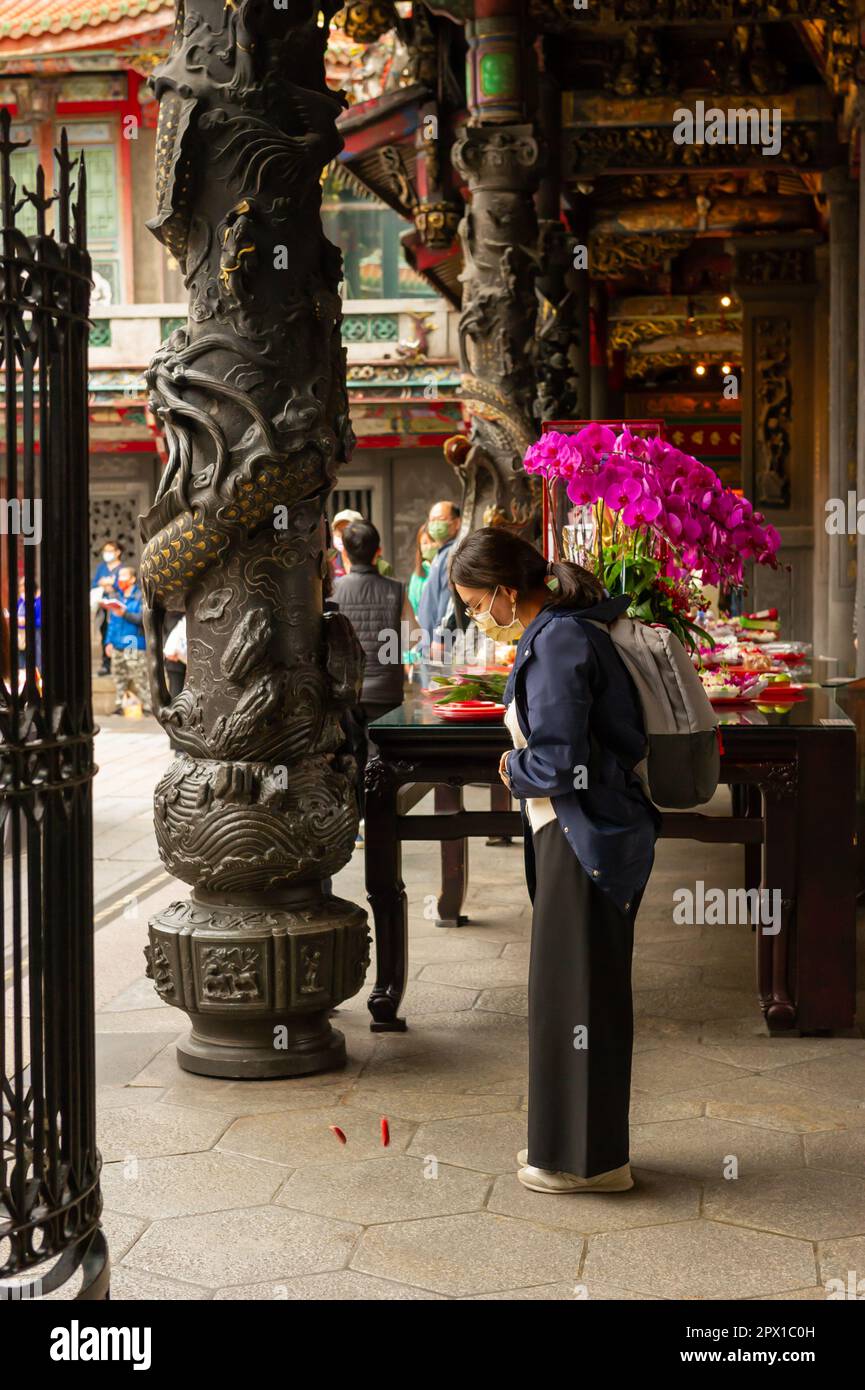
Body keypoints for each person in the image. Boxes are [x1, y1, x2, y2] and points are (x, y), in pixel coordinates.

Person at [451, 527, 660, 1196]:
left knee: (576, 999)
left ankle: (584, 1163)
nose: (473, 616)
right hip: (584, 834)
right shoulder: (564, 630)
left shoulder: (559, 640)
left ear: (508, 594)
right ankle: (576, 1150)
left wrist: (512, 763)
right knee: (575, 994)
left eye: (476, 602)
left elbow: (557, 761)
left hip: (583, 837)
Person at [332, 520, 412, 833]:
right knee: (381, 758)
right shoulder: (396, 589)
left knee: (351, 753)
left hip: (347, 689)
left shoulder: (334, 590)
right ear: (378, 552)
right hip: (386, 690)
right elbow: (414, 636)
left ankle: (355, 821)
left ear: (346, 555)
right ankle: (380, 822)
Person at [102, 564, 151, 716]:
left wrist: (125, 613)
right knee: (119, 676)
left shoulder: (140, 597)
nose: (120, 579)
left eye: (124, 576)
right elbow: (111, 623)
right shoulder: (117, 597)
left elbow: (141, 619)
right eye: (119, 576)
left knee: (138, 676)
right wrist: (108, 642)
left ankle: (148, 706)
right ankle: (120, 705)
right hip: (117, 642)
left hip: (132, 640)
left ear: (132, 579)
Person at [416, 500, 461, 642]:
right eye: (432, 520)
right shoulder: (440, 554)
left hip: (439, 644)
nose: (435, 524)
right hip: (428, 642)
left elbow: (449, 599)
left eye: (440, 519)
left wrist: (440, 638)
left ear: (457, 523)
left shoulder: (453, 554)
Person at [330, 508, 394, 581]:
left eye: (349, 532)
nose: (344, 536)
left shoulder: (382, 567)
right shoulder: (328, 562)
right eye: (339, 531)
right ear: (333, 533)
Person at [92, 539, 123, 675]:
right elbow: (95, 584)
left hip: (118, 607)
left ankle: (120, 664)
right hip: (103, 608)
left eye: (110, 551)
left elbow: (122, 586)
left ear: (117, 552)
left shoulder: (122, 568)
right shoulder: (101, 568)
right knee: (105, 633)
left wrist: (112, 585)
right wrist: (104, 584)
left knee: (120, 633)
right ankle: (106, 663)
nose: (107, 554)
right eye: (105, 551)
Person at [408, 522, 439, 617]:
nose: (429, 546)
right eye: (425, 543)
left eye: (433, 541)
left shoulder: (445, 569)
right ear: (420, 547)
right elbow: (413, 605)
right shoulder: (416, 576)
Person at [16, 576, 41, 671]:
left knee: (36, 657)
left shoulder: (38, 601)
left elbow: (40, 619)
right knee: (21, 657)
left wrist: (28, 621)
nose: (20, 589)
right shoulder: (21, 600)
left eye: (22, 586)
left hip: (35, 632)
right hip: (21, 633)